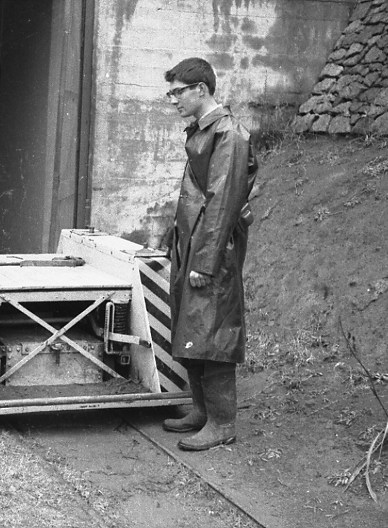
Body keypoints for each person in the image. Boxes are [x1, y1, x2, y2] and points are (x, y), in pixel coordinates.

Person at [161, 58, 259, 450]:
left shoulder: (229, 134)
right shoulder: (205, 131)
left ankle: (222, 423)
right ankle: (202, 412)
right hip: (195, 244)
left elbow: (222, 202)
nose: (173, 100)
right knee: (193, 329)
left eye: (177, 91)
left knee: (212, 331)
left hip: (211, 250)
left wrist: (205, 261)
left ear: (201, 89)